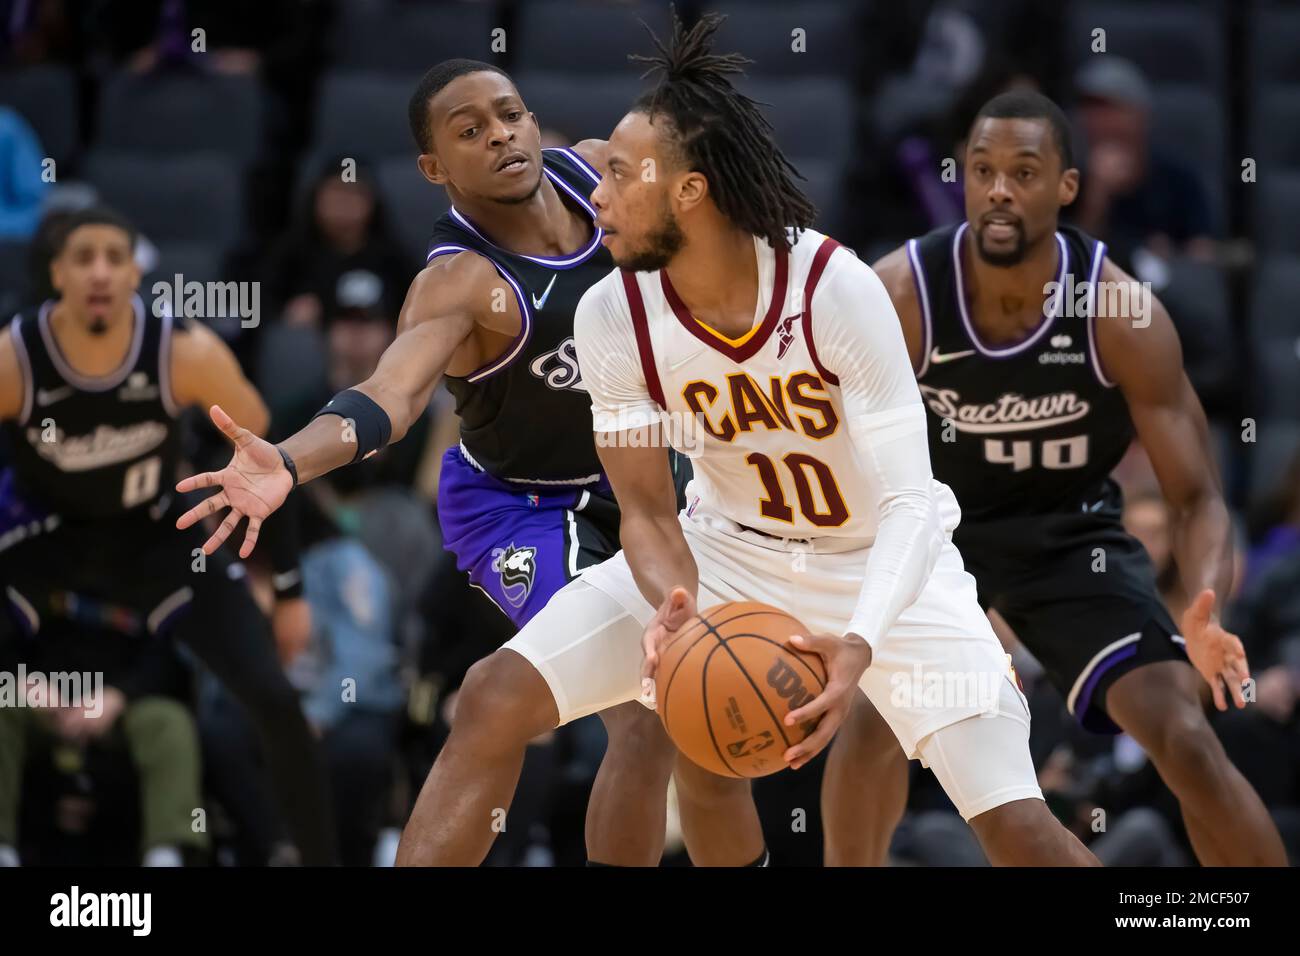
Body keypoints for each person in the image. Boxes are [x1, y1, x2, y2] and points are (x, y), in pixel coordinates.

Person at [394, 13, 1099, 866]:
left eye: (617, 175)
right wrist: (677, 608)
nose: (594, 195)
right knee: (491, 695)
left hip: (889, 572)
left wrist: (859, 639)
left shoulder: (831, 286)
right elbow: (648, 515)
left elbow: (914, 503)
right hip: (727, 554)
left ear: (686, 191)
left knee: (1019, 829)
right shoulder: (613, 311)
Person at [173, 58, 761, 866]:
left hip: (651, 475)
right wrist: (287, 461)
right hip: (522, 505)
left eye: (509, 114)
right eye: (470, 131)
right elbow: (392, 395)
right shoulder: (458, 284)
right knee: (638, 700)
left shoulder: (602, 177)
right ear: (434, 169)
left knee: (676, 717)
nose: (500, 136)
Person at [821, 90, 1286, 867]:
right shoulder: (901, 295)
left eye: (1024, 171)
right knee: (875, 722)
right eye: (982, 170)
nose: (999, 189)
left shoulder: (1117, 312)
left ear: (1066, 187)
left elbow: (1198, 497)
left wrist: (1202, 608)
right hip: (935, 540)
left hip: (1071, 541)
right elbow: (827, 445)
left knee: (1187, 739)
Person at [0, 206, 338, 865]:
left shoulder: (183, 351)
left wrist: (290, 590)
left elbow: (275, 457)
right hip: (43, 540)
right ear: (58, 274)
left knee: (273, 696)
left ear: (134, 273)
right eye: (83, 257)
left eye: (113, 257)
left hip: (155, 539)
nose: (99, 271)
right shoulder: (15, 357)